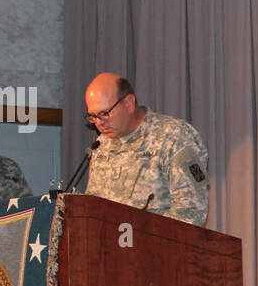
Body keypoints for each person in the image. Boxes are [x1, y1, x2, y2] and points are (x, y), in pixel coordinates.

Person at [83, 73, 210, 226]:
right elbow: (93, 205)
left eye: (104, 114)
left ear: (129, 103)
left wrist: (143, 239)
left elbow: (192, 209)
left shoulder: (176, 136)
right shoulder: (101, 145)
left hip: (159, 246)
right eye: (93, 117)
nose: (99, 123)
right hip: (110, 247)